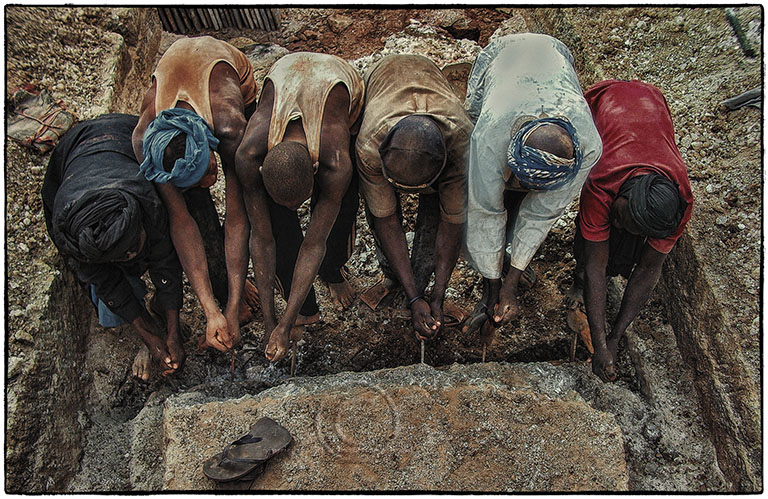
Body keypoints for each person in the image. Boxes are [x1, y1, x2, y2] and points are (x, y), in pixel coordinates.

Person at [463, 33, 603, 351]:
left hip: (555, 55)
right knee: (494, 196)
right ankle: (491, 275)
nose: (529, 191)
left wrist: (510, 284)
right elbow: (484, 209)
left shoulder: (588, 145)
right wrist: (492, 287)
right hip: (502, 58)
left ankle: (510, 267)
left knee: (528, 206)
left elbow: (542, 213)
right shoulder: (490, 133)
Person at [132, 36, 259, 355]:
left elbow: (236, 219)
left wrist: (231, 306)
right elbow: (181, 223)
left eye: (210, 173)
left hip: (229, 83)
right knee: (195, 213)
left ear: (209, 145)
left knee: (254, 191)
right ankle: (221, 290)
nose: (209, 183)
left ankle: (236, 288)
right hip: (181, 105)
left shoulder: (229, 127)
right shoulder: (148, 145)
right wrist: (210, 311)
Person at [235, 52, 363, 362]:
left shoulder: (334, 161)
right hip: (286, 70)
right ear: (263, 172)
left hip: (337, 78)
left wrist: (286, 322)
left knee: (340, 211)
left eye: (302, 202)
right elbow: (261, 241)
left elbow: (313, 244)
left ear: (315, 175)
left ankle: (333, 273)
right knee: (275, 227)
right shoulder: (249, 155)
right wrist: (270, 323)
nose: (298, 210)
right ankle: (303, 307)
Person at [566, 79, 693, 382]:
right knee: (590, 245)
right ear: (619, 196)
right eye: (621, 216)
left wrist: (615, 337)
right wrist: (598, 344)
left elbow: (649, 270)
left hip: (652, 104)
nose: (618, 225)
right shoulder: (602, 181)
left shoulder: (680, 204)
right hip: (610, 100)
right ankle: (575, 283)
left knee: (624, 250)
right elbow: (596, 265)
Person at [42, 113, 184, 381]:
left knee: (170, 243)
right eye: (124, 255)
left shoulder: (147, 201)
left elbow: (167, 262)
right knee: (107, 299)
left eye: (135, 247)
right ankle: (147, 322)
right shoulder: (70, 233)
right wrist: (148, 334)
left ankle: (160, 314)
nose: (133, 256)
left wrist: (173, 330)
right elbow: (105, 283)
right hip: (71, 156)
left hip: (123, 134)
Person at [355, 54, 471, 342]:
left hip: (428, 73)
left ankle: (421, 281)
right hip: (384, 76)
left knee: (436, 213)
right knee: (377, 205)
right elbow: (386, 219)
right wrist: (413, 297)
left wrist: (438, 296)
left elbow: (452, 223)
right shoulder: (370, 144)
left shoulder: (462, 146)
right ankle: (398, 280)